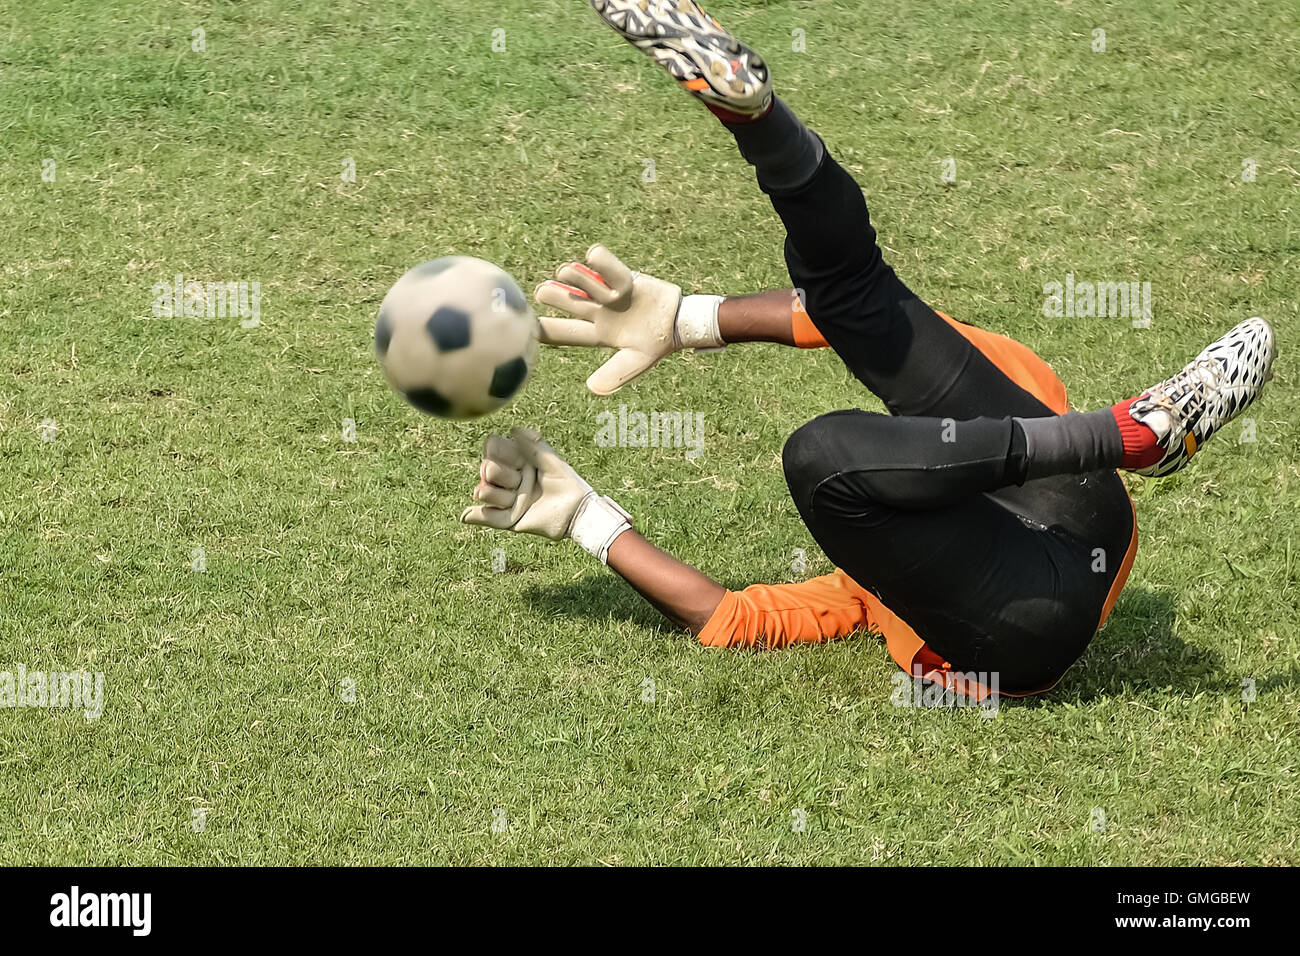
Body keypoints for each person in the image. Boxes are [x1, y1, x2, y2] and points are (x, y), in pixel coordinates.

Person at [460, 0, 1276, 700]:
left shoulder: (884, 563)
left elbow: (731, 617)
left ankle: (1134, 434)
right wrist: (684, 333)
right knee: (856, 299)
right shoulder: (1001, 403)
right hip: (1089, 494)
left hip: (1023, 629)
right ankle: (761, 124)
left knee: (822, 452)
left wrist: (596, 513)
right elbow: (855, 314)